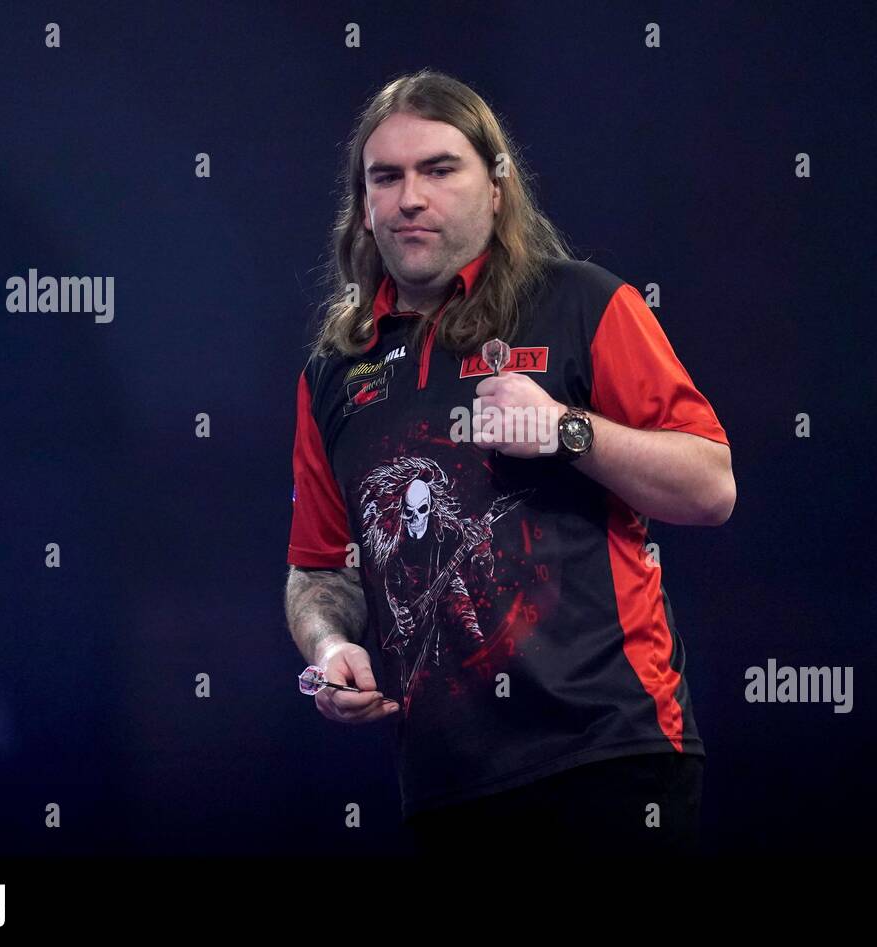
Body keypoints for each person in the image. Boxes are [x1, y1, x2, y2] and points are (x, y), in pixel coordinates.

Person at [284, 69, 736, 857]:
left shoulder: (583, 302)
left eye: (439, 169)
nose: (409, 197)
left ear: (496, 187)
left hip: (610, 754)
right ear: (363, 205)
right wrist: (328, 650)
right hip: (445, 784)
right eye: (385, 177)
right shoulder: (333, 373)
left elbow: (711, 485)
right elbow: (320, 570)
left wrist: (567, 429)